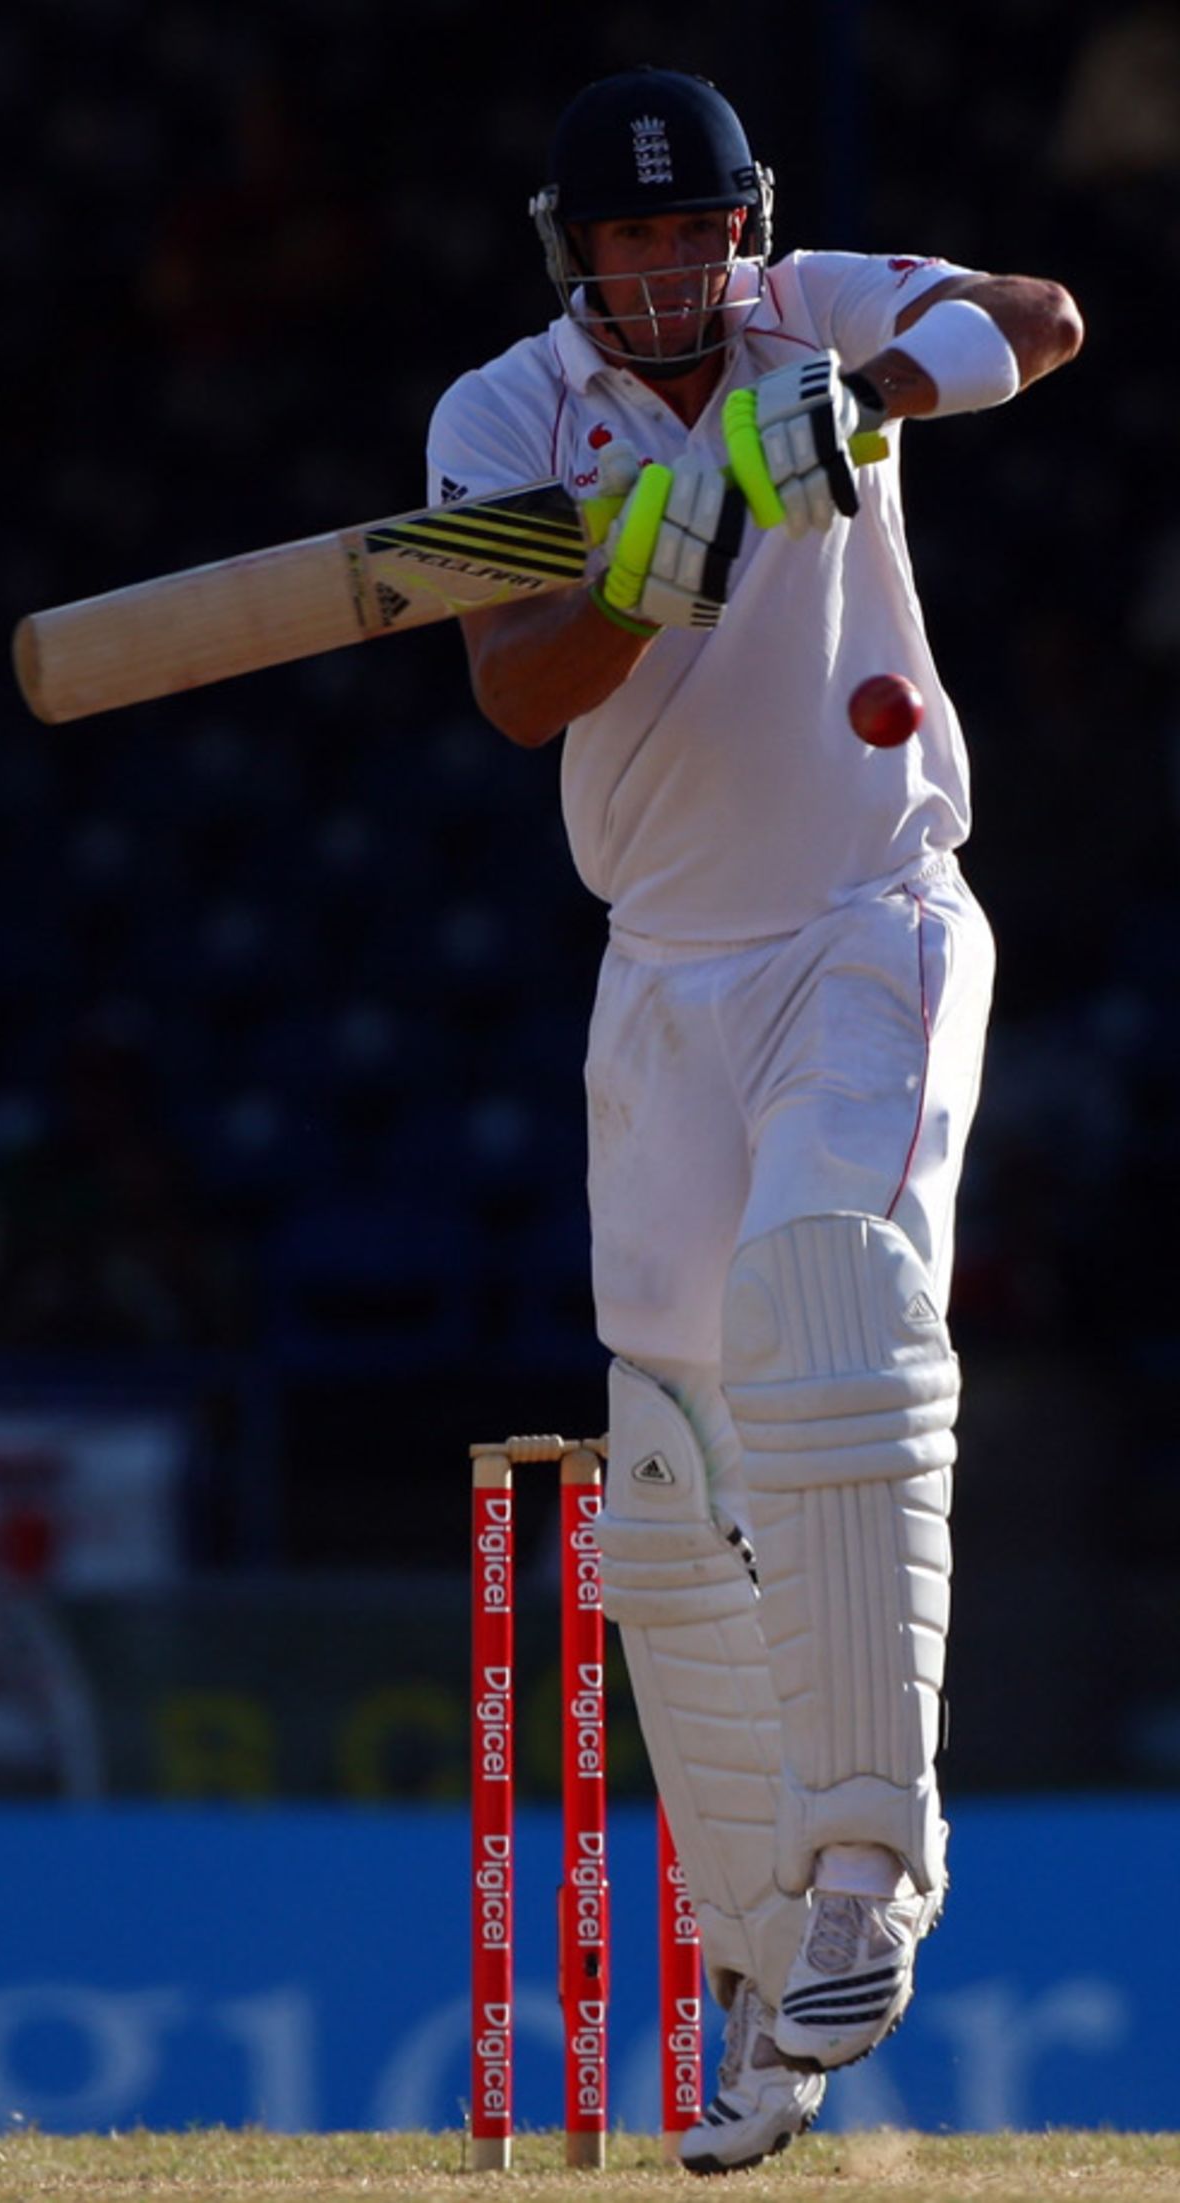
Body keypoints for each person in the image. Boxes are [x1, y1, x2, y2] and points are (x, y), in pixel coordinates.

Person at [428, 66, 1082, 2174]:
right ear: (574, 256)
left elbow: (1045, 314)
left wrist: (856, 394)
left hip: (865, 924)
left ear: (739, 227)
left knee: (833, 1290)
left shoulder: (806, 311)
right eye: (627, 245)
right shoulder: (501, 422)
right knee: (665, 1471)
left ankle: (874, 1872)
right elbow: (518, 684)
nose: (668, 271)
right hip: (665, 975)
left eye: (693, 234)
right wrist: (664, 552)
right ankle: (754, 1982)